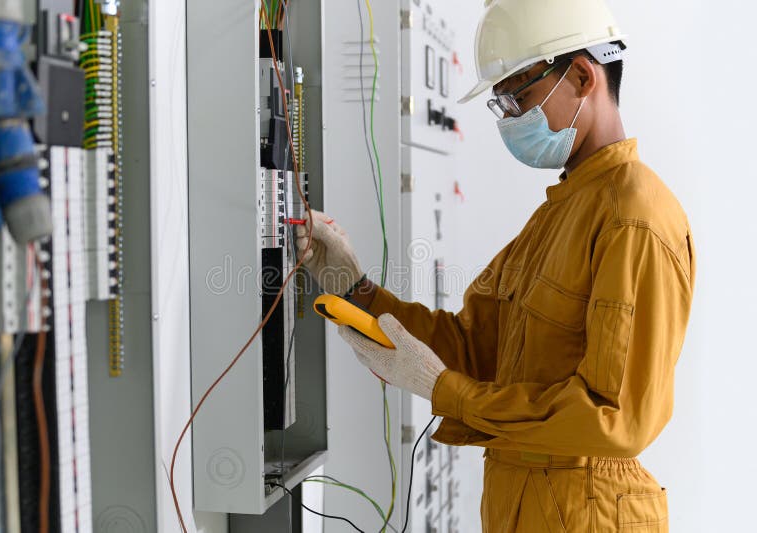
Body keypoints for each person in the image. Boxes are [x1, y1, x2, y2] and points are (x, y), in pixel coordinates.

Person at [296, 0, 695, 530]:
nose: (509, 117)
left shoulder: (635, 217)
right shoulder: (557, 215)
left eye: (519, 96)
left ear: (580, 76)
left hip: (590, 515)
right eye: (501, 103)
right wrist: (356, 288)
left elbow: (614, 417)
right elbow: (471, 348)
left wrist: (447, 392)